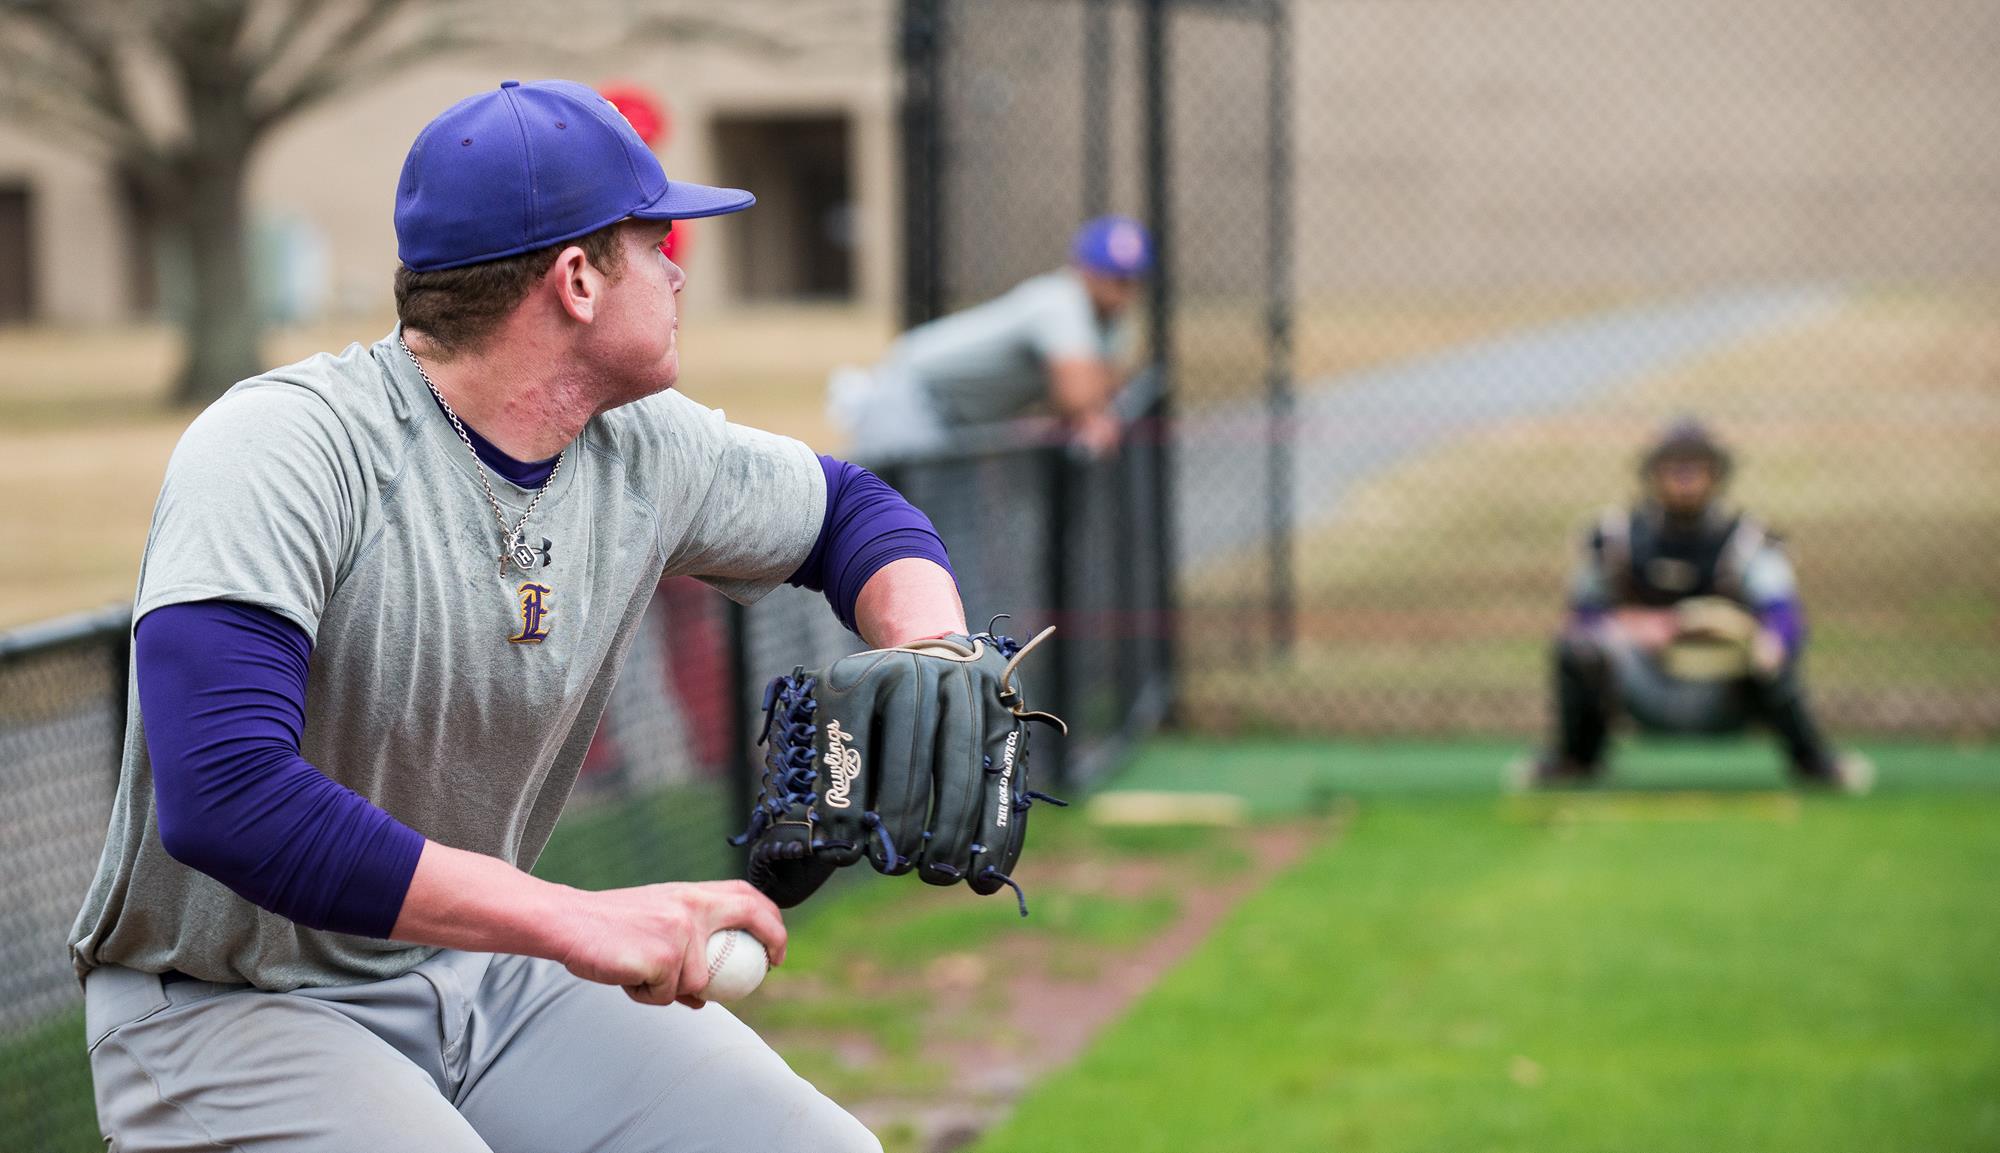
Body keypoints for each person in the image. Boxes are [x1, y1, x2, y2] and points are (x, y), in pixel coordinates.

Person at [66, 79, 969, 1151]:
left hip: (472, 970)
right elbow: (226, 796)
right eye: (654, 239)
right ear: (578, 279)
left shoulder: (644, 445)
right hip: (228, 1002)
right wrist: (580, 919)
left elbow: (854, 516)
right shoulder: (284, 448)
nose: (678, 267)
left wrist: (931, 647)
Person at [1518, 418, 1871, 791]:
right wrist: (1635, 625)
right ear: (1652, 473)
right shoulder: (1614, 535)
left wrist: (1767, 639)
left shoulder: (1747, 539)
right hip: (1643, 678)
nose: (1684, 478)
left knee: (1773, 650)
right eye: (1674, 467)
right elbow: (1581, 615)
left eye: (1695, 467)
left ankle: (1812, 762)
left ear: (1716, 474)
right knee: (1576, 648)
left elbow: (1783, 612)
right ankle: (1576, 760)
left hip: (1726, 686)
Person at [828, 215, 1151, 458]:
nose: (1121, 290)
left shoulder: (1112, 323)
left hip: (956, 419)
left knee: (947, 528)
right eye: (1112, 276)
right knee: (895, 525)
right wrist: (1094, 410)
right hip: (911, 396)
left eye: (1129, 279)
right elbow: (1078, 396)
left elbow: (1105, 390)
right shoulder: (1059, 300)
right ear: (1083, 269)